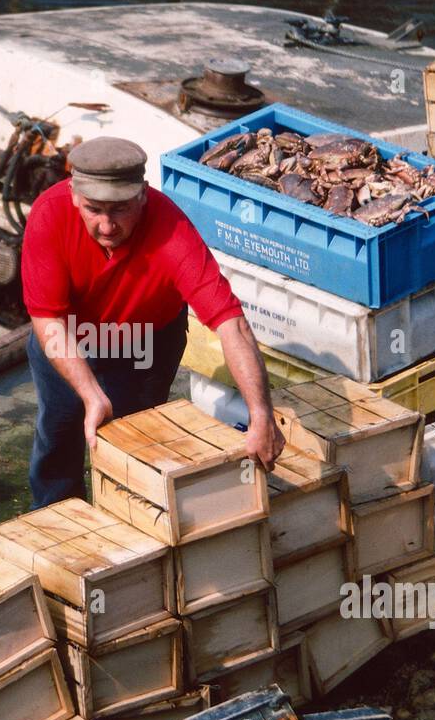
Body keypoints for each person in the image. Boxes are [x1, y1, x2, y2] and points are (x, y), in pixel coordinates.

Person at [20, 135, 285, 507]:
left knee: (138, 443)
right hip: (67, 336)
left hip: (145, 345)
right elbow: (46, 317)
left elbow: (231, 323)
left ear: (143, 194)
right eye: (94, 210)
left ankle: (133, 528)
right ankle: (52, 521)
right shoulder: (49, 214)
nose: (108, 226)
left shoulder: (171, 230)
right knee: (59, 435)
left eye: (121, 210)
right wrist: (91, 393)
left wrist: (261, 416)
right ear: (75, 195)